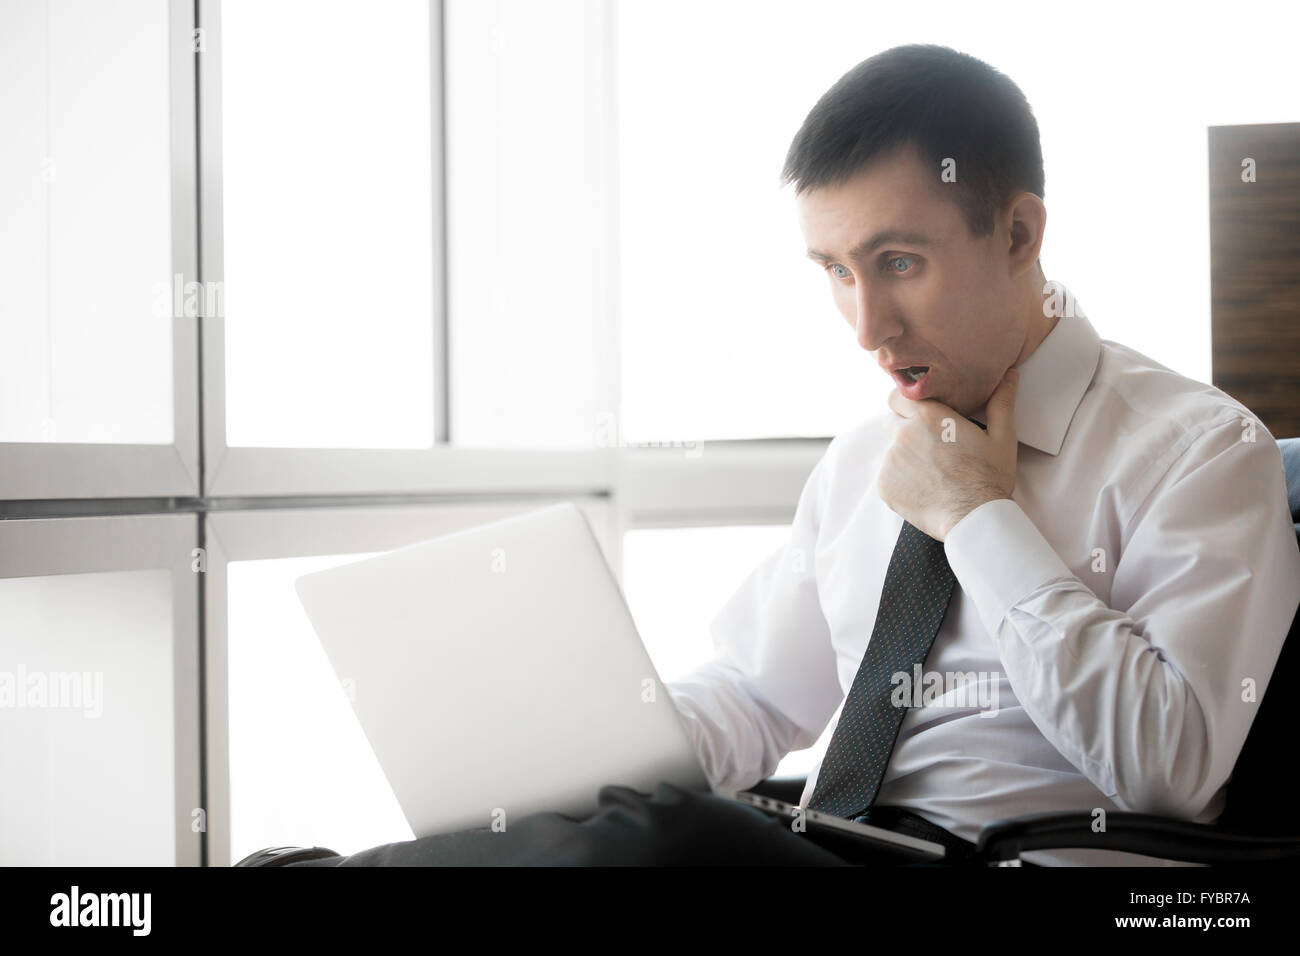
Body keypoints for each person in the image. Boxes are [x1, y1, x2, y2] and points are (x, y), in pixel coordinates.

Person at [260, 43, 1300, 868]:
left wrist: (982, 519)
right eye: (835, 271)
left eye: (898, 262)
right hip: (837, 841)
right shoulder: (861, 462)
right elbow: (760, 695)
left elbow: (1170, 767)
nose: (864, 324)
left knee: (689, 843)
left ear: (1019, 232)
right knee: (657, 818)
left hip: (1013, 862)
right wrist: (594, 759)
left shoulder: (1199, 451)